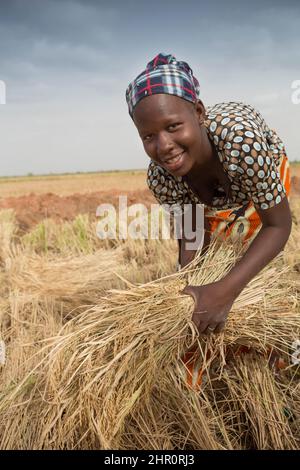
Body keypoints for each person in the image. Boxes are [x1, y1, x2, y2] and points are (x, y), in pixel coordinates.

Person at [125, 52, 292, 338]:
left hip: (261, 172)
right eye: (148, 136)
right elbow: (192, 235)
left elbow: (278, 225)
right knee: (215, 266)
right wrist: (188, 292)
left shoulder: (242, 144)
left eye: (173, 126)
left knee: (246, 265)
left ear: (199, 113)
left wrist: (224, 292)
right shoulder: (162, 176)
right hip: (217, 199)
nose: (163, 146)